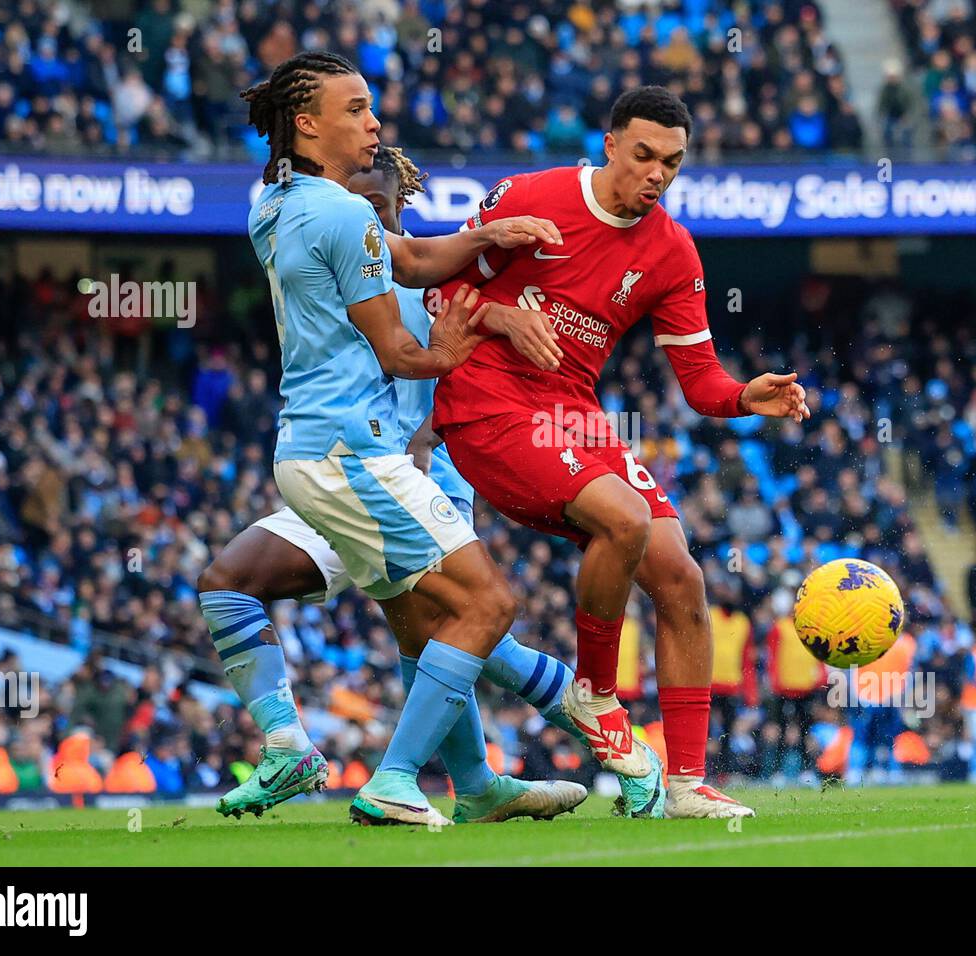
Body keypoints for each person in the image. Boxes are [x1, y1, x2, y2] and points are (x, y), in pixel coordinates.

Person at [203, 141, 663, 822]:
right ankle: (295, 747)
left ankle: (601, 758)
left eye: (378, 208)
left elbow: (477, 332)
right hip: (344, 470)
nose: (365, 221)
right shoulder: (326, 256)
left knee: (460, 636)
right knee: (230, 583)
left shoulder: (434, 276)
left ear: (399, 209)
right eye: (353, 204)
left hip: (413, 477)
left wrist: (501, 318)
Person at [430, 86, 810, 817]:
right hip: (487, 402)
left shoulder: (671, 250)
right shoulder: (530, 197)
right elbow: (431, 288)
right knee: (627, 520)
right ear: (609, 146)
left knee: (681, 577)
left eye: (672, 162)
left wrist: (742, 397)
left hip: (573, 412)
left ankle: (688, 783)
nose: (657, 174)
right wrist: (506, 317)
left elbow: (699, 382)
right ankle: (595, 694)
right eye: (643, 155)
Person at [223, 50, 576, 827]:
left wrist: (487, 234)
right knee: (489, 602)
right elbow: (401, 354)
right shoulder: (345, 214)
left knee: (427, 624)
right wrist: (445, 353)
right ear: (306, 124)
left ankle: (473, 785)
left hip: (315, 450)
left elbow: (410, 257)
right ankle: (396, 781)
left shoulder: (274, 203)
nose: (373, 122)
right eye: (355, 110)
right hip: (358, 451)